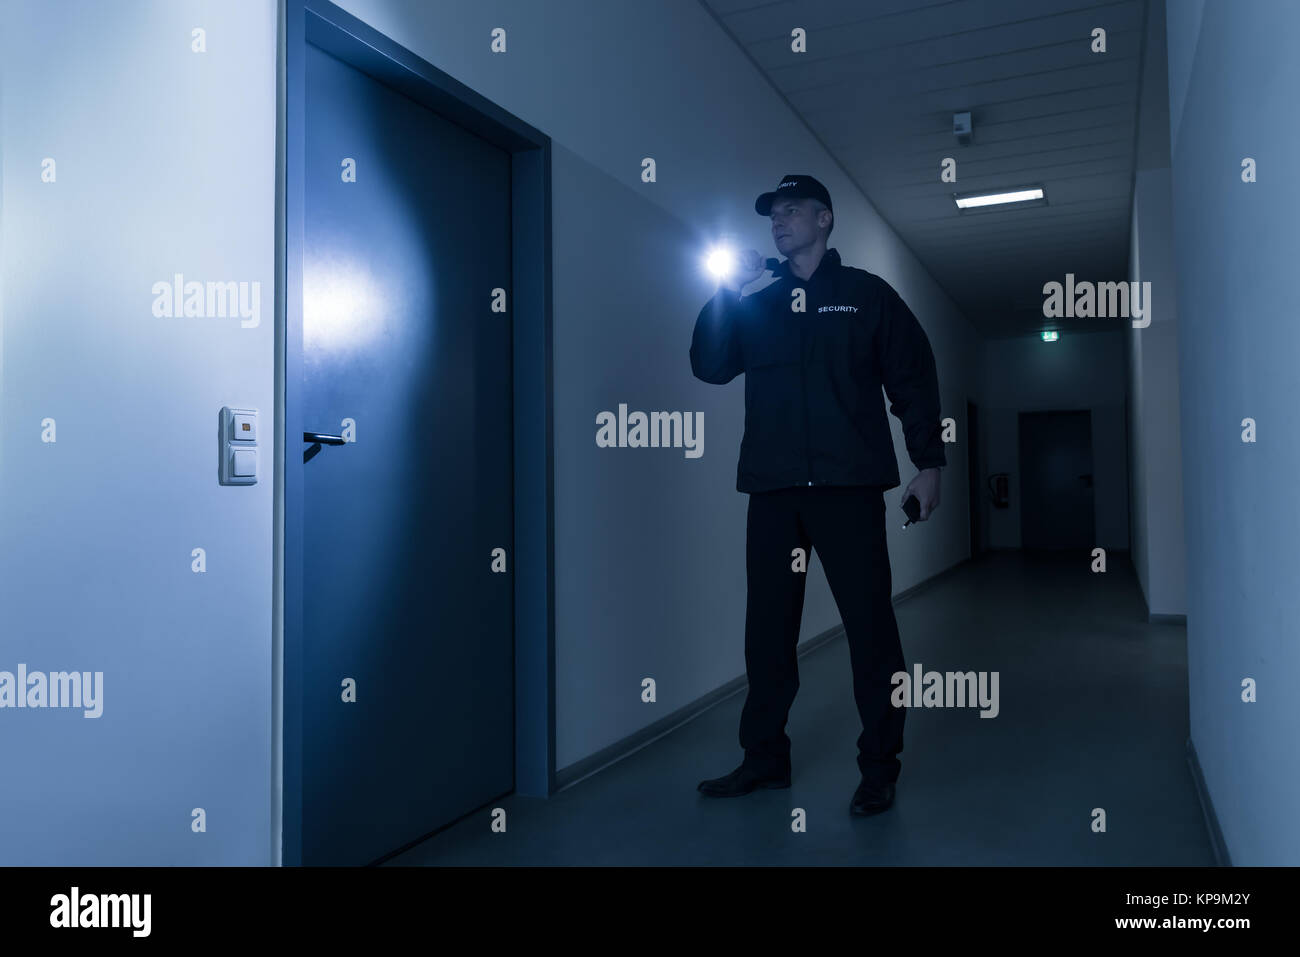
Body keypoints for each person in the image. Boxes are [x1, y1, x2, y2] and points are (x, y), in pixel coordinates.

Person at [689, 174, 945, 816]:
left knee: (870, 630)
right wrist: (727, 287)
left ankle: (880, 767)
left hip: (849, 489)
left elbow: (912, 377)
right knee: (767, 632)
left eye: (793, 209)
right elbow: (710, 364)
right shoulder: (758, 304)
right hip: (774, 493)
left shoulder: (866, 296)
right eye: (773, 213)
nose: (780, 221)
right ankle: (764, 760)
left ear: (825, 220)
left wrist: (929, 462)